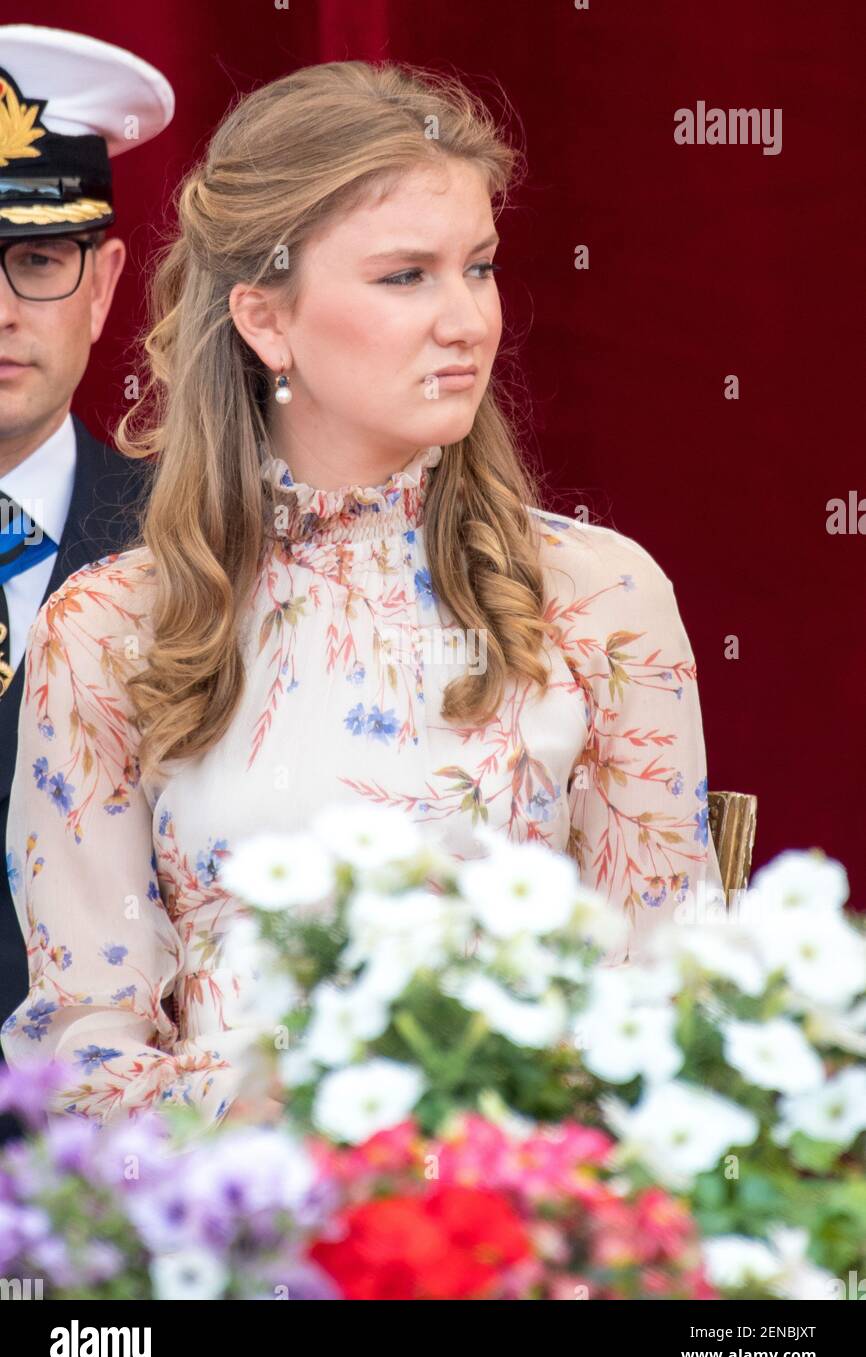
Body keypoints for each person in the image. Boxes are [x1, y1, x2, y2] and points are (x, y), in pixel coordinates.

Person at [1, 59, 725, 1130]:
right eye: (404, 277)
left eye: (476, 268)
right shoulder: (109, 629)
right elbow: (76, 1057)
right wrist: (291, 1104)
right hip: (241, 1249)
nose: (465, 320)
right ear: (266, 320)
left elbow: (681, 1013)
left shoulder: (601, 594)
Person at [0, 26, 174, 1143]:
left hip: (116, 1193)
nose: (0, 308)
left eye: (34, 258)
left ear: (104, 283)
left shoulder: (210, 554)